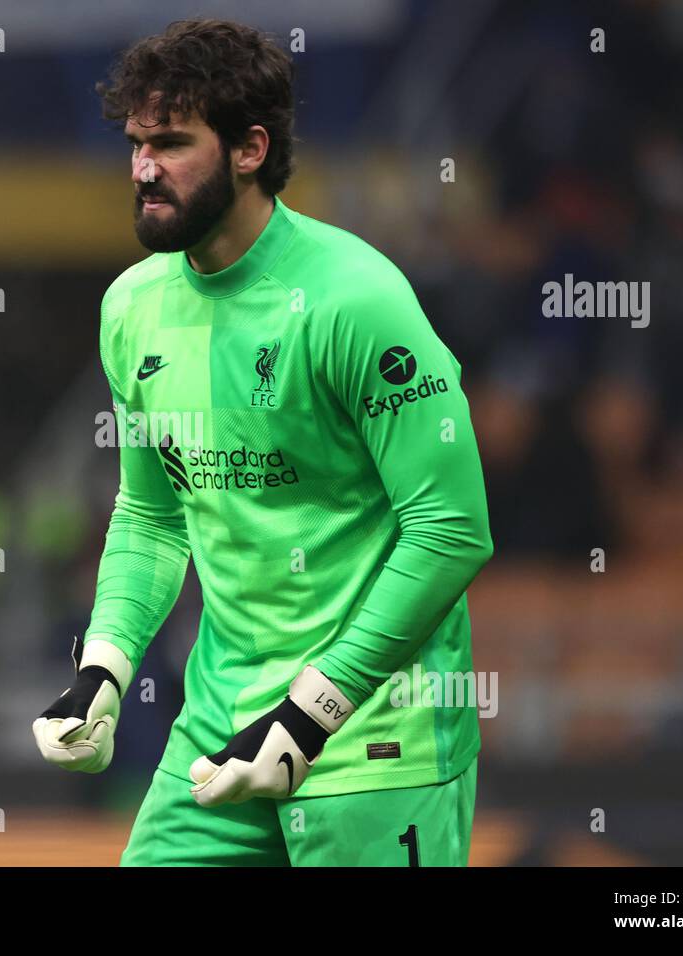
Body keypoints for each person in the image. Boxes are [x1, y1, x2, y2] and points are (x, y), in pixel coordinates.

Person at [33, 18, 493, 866]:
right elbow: (152, 514)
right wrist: (102, 669)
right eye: (136, 144)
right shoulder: (131, 307)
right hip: (217, 735)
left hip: (372, 742)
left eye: (170, 143)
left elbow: (451, 528)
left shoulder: (356, 299)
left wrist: (311, 711)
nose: (142, 169)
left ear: (250, 148)